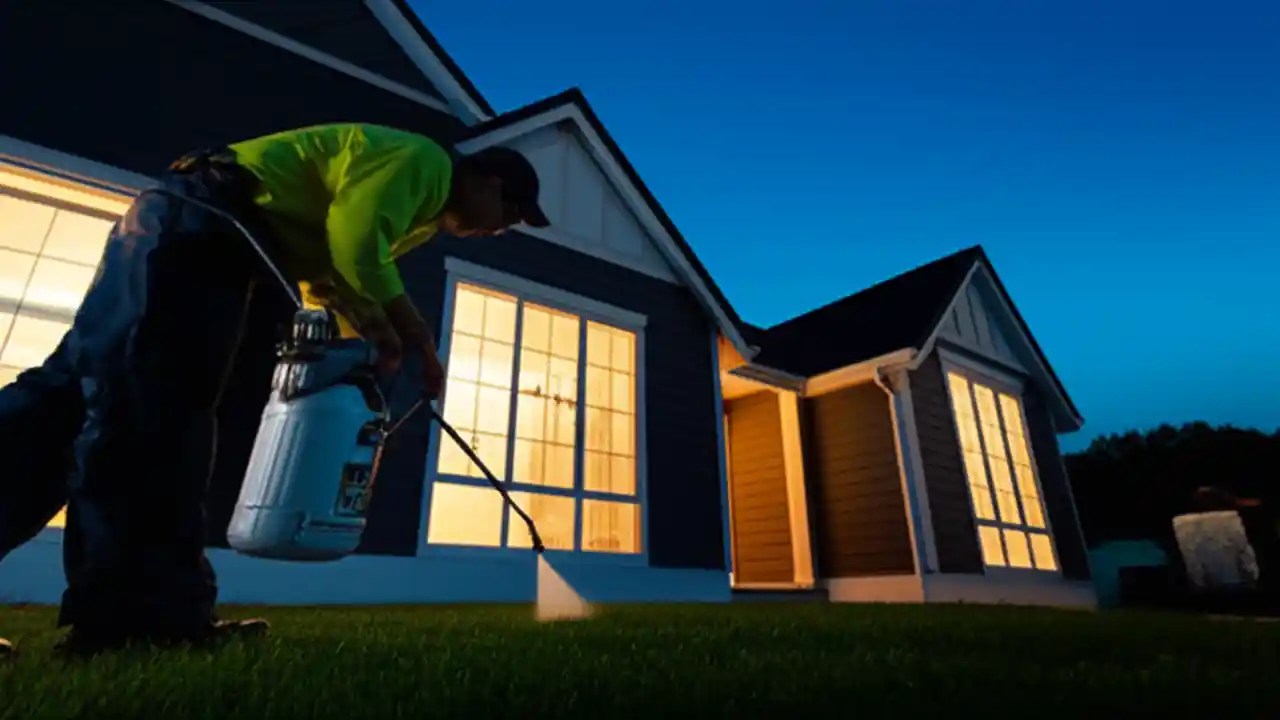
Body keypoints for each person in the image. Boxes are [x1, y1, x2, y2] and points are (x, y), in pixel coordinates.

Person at [0, 123, 549, 658]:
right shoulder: (428, 164)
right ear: (490, 184)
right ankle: (139, 623)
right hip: (202, 227)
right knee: (152, 417)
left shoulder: (422, 213)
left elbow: (331, 276)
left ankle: (150, 612)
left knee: (68, 405)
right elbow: (356, 242)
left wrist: (376, 345)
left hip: (193, 232)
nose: (498, 231)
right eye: (508, 216)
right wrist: (413, 334)